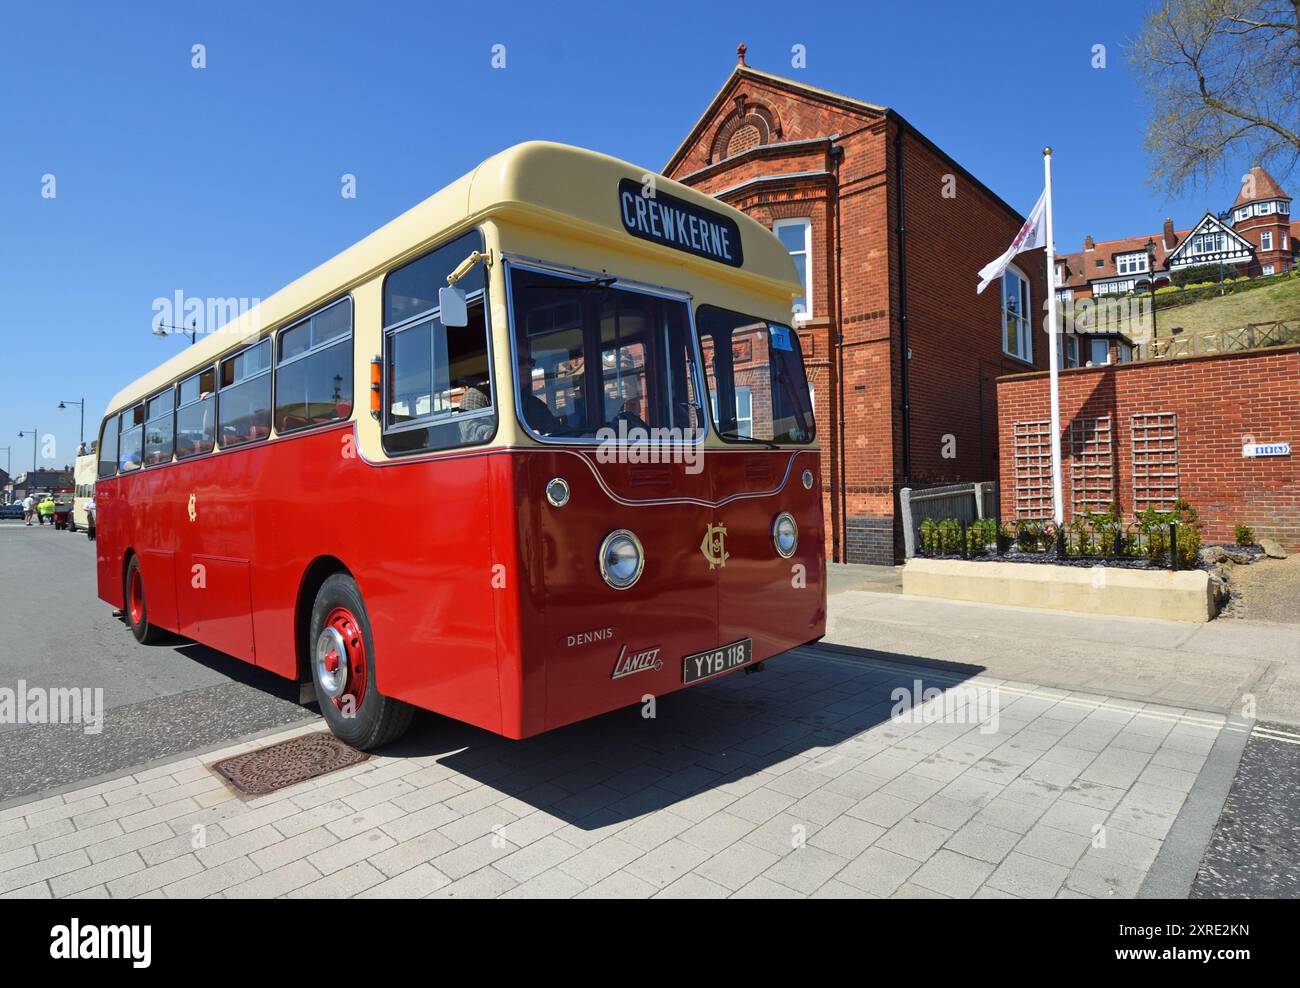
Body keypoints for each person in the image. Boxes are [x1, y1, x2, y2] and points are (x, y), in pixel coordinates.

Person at [518, 356, 562, 435]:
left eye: (530, 362)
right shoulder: (490, 402)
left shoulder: (534, 404)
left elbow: (556, 430)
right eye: (520, 361)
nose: (528, 367)